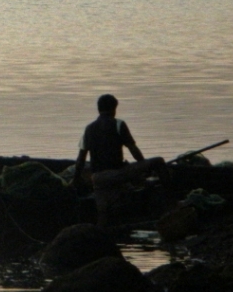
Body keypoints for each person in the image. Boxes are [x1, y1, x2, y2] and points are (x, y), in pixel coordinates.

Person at [72, 94, 170, 227]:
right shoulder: (118, 124)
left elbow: (80, 160)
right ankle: (172, 202)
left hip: (98, 178)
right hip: (117, 174)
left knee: (103, 213)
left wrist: (75, 181)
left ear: (98, 109)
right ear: (114, 109)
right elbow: (133, 150)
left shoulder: (88, 129)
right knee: (159, 161)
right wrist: (145, 167)